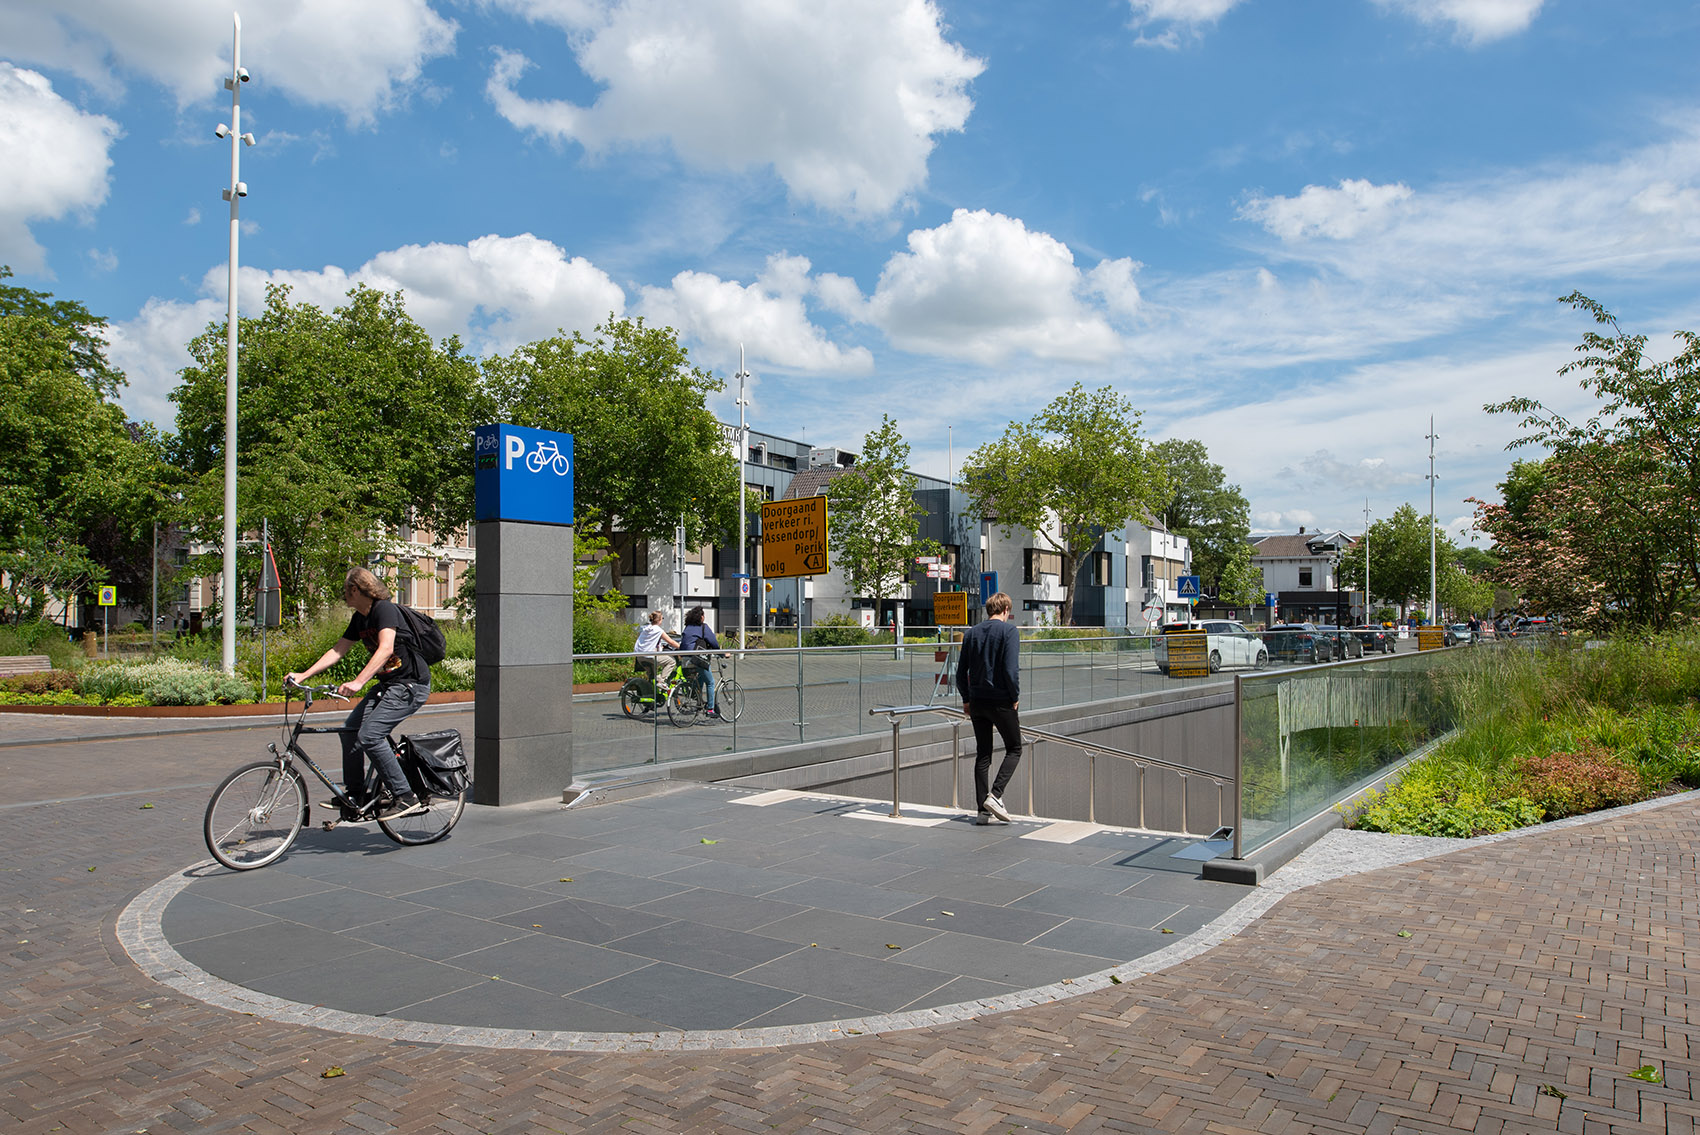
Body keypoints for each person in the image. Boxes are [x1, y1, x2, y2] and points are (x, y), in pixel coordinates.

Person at [285, 567, 430, 821]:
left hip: (409, 685)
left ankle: (405, 796)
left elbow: (385, 649)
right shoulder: (360, 618)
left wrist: (358, 682)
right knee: (350, 730)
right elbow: (338, 650)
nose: (344, 594)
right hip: (389, 686)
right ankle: (356, 794)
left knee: (370, 735)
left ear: (355, 588)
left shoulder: (383, 609)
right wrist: (304, 675)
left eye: (346, 589)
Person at [957, 591, 1022, 826]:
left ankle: (981, 812)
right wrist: (1014, 697)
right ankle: (995, 796)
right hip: (1001, 700)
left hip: (977, 702)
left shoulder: (971, 633)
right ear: (1005, 610)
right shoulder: (1009, 631)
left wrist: (966, 699)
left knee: (983, 754)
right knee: (1015, 748)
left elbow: (960, 673)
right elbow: (1010, 670)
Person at [678, 606, 726, 718]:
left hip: (685, 659)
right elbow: (713, 643)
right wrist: (723, 654)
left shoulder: (687, 628)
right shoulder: (703, 628)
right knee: (710, 682)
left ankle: (697, 699)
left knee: (700, 679)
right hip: (697, 659)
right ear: (701, 617)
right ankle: (710, 710)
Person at [633, 610, 679, 694]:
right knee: (671, 662)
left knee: (652, 678)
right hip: (650, 656)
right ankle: (661, 681)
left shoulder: (645, 628)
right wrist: (681, 647)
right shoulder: (658, 630)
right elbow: (671, 642)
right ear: (660, 620)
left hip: (639, 656)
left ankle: (651, 699)